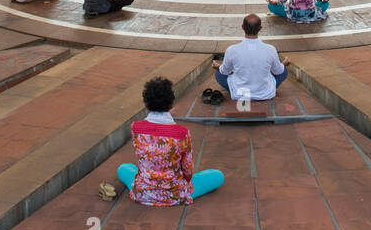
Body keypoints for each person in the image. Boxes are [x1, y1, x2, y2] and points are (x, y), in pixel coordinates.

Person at [116, 76, 223, 206]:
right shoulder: (181, 132)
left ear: (146, 101)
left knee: (123, 168)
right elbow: (188, 170)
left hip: (143, 192)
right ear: (171, 101)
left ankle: (147, 189)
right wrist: (185, 182)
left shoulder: (136, 127)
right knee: (217, 176)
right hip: (175, 194)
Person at [213, 14, 290, 102]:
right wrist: (284, 64)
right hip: (265, 93)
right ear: (260, 28)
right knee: (284, 71)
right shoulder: (270, 49)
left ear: (242, 27)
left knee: (218, 73)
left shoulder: (232, 50)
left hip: (240, 92)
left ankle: (235, 89)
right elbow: (278, 71)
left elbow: (224, 71)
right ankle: (264, 89)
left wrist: (218, 67)